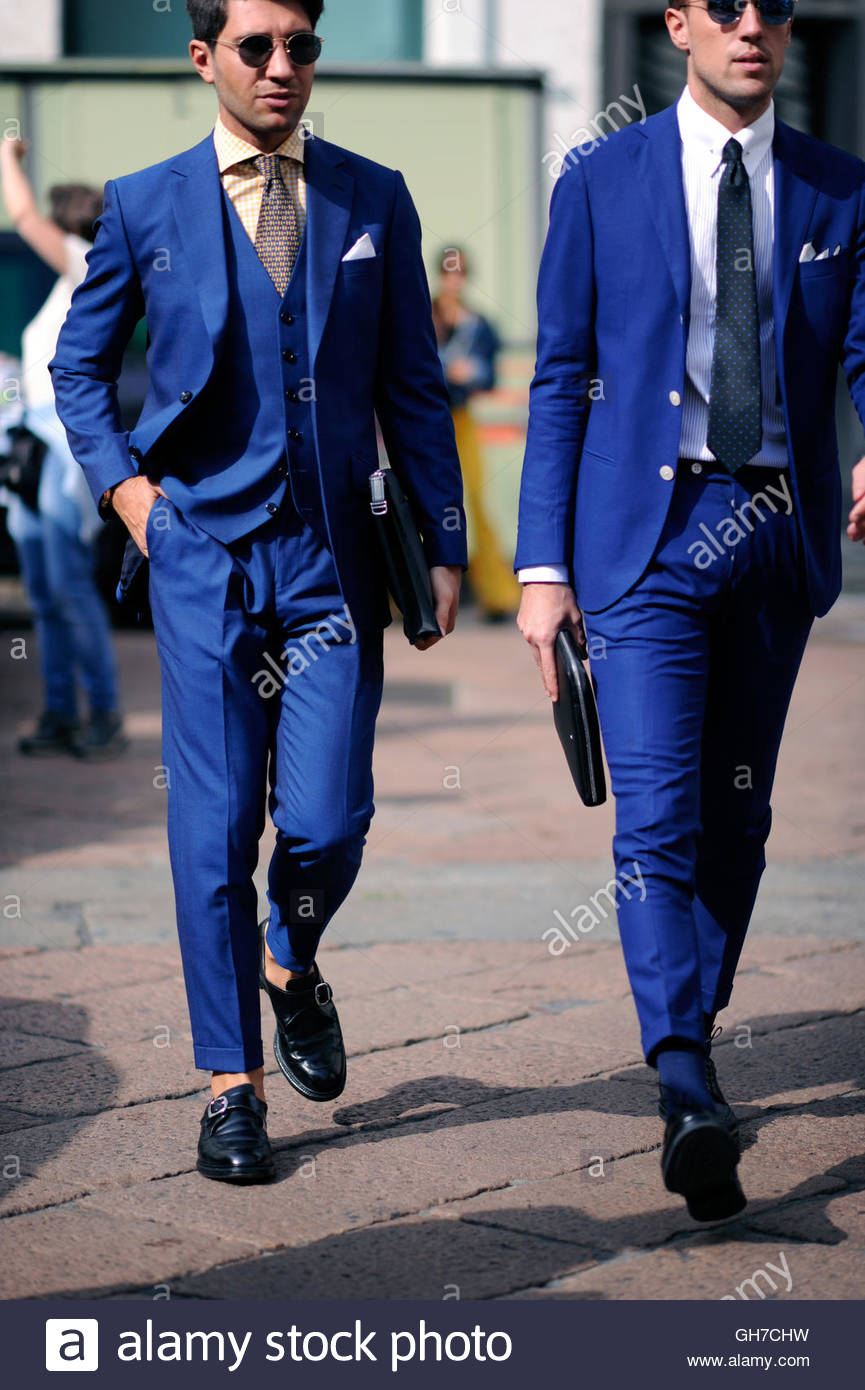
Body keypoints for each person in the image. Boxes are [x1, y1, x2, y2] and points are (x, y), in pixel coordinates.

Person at [51, 0, 466, 1184]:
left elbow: (414, 384)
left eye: (303, 47)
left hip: (334, 557)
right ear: (203, 59)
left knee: (331, 817)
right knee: (214, 827)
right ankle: (230, 1086)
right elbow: (78, 370)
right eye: (256, 47)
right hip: (201, 561)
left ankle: (291, 950)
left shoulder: (370, 194)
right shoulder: (144, 203)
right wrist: (135, 502)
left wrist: (444, 537)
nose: (283, 67)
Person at [516, 0, 865, 1222]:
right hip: (643, 542)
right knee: (655, 817)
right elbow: (559, 374)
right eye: (725, 7)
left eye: (772, 7)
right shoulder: (598, 179)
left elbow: (863, 350)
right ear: (677, 25)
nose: (753, 26)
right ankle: (681, 1079)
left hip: (773, 532)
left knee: (739, 818)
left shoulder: (837, 188)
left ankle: (693, 1042)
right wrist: (540, 567)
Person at [0, 139, 127, 759]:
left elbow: (23, 218)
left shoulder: (86, 263)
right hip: (34, 442)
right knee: (46, 590)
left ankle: (103, 715)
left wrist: (6, 157)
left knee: (69, 586)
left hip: (62, 439)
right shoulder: (68, 282)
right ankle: (58, 713)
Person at [433, 247, 520, 620]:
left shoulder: (477, 324)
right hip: (424, 421)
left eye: (461, 272)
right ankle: (401, 594)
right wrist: (446, 368)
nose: (455, 279)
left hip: (461, 417)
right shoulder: (424, 313)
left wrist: (471, 373)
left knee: (478, 503)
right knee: (414, 502)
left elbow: (489, 376)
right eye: (449, 271)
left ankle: (498, 595)